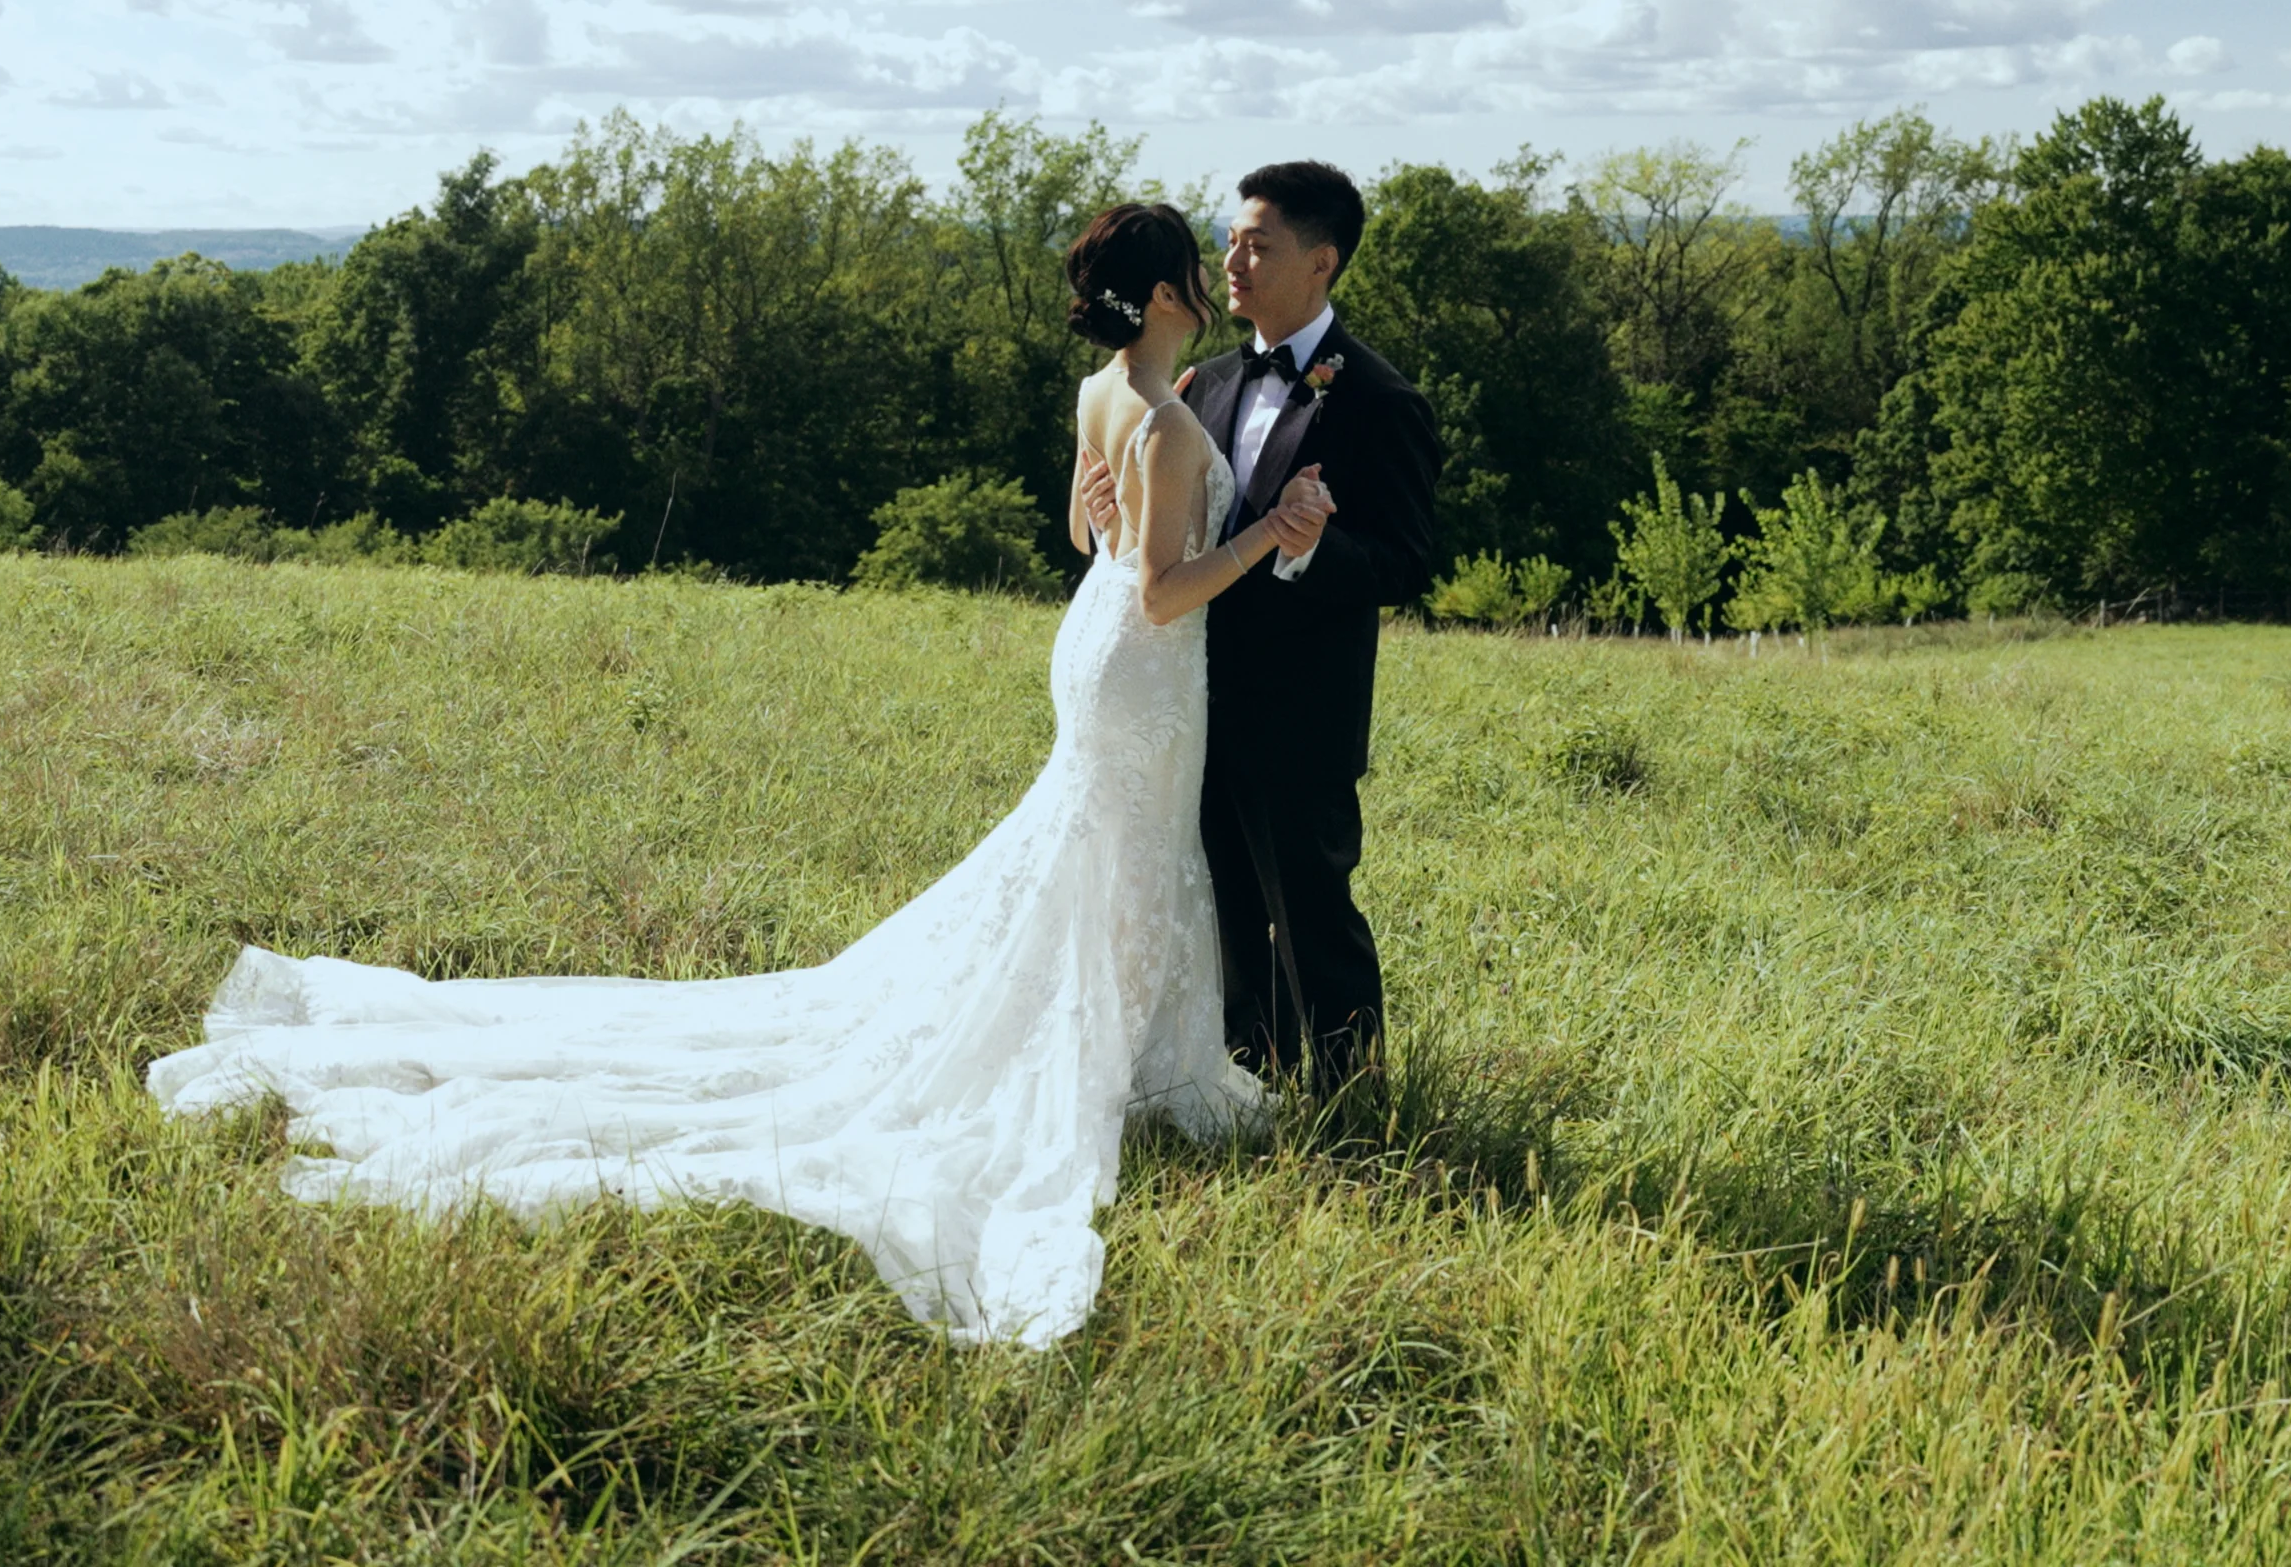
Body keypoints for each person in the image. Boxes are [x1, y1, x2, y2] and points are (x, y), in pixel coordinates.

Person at [144, 200, 1331, 1348]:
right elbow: (1164, 589)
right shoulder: (1172, 425)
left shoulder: (1099, 395)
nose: (1221, 283)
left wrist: (1127, 524)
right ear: (1170, 291)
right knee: (1117, 854)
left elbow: (1089, 541)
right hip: (1145, 670)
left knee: (1093, 856)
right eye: (1205, 267)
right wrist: (1266, 534)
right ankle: (1126, 1065)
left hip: (1096, 654)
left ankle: (1126, 1052)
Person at [1081, 161, 1440, 1087]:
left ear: (1321, 262)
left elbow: (1406, 561)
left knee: (1311, 910)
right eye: (1232, 240)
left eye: (1259, 244)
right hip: (1189, 694)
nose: (1233, 258)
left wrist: (1313, 545)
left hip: (1301, 708)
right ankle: (1246, 1082)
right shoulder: (1203, 383)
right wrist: (1107, 511)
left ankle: (1348, 1098)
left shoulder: (1379, 399)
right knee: (1224, 911)